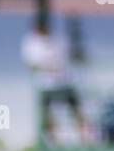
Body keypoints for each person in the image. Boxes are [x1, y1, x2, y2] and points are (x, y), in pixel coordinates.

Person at [20, 13, 89, 144]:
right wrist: (48, 67)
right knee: (47, 113)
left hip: (63, 82)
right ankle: (55, 139)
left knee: (75, 107)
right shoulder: (31, 43)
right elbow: (31, 65)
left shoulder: (57, 39)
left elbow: (69, 56)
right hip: (46, 85)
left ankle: (85, 136)